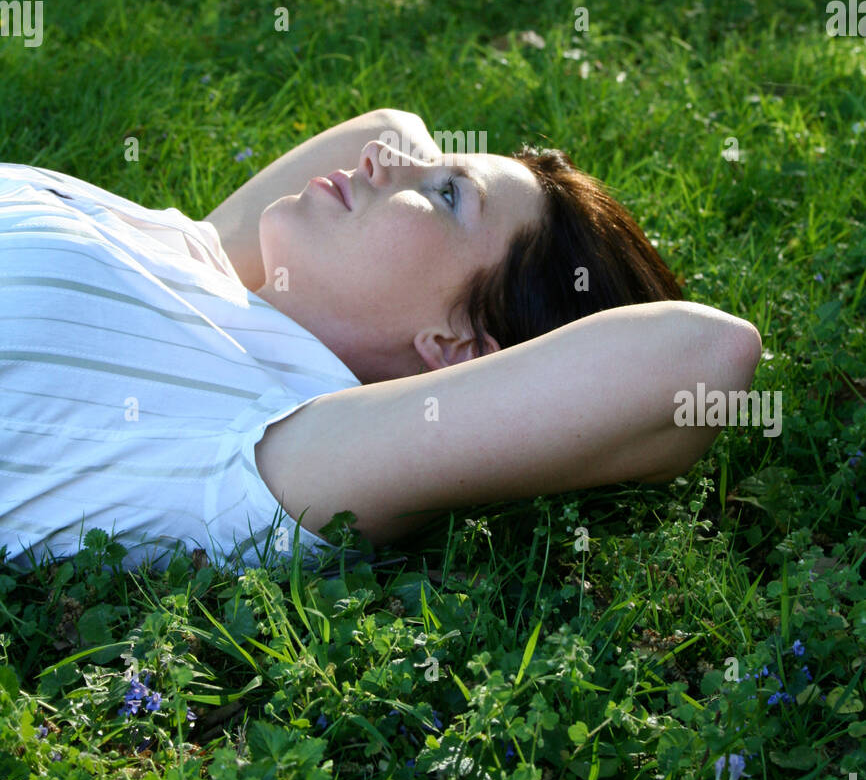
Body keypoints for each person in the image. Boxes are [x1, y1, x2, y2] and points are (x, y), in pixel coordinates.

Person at [0, 108, 761, 574]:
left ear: (457, 348)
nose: (380, 161)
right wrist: (434, 178)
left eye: (446, 194)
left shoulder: (275, 451)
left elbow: (703, 359)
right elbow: (390, 127)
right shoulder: (200, 261)